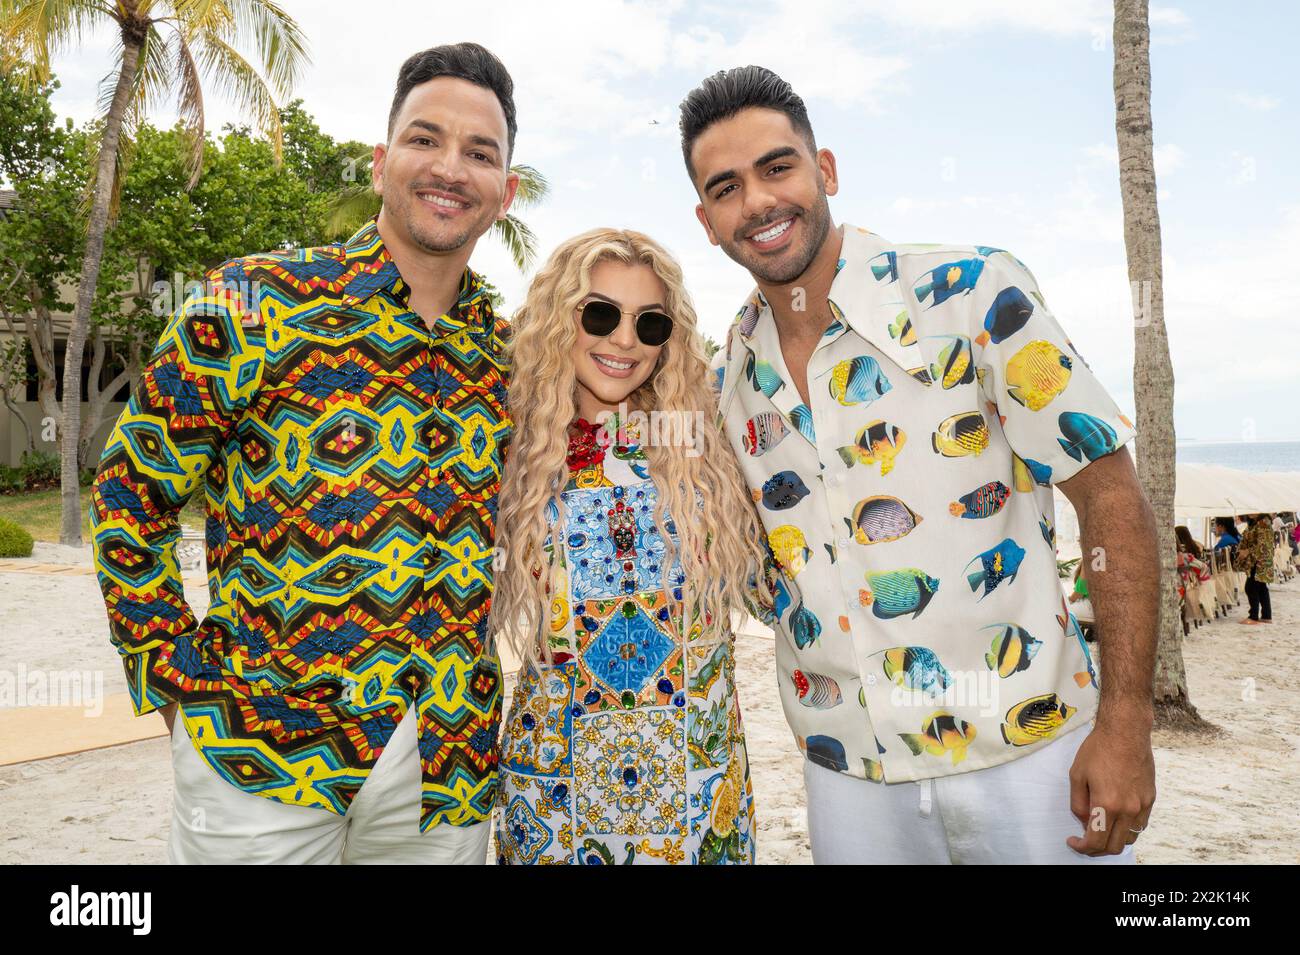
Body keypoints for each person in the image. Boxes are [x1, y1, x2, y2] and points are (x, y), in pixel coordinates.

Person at [680, 66, 1159, 863]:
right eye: (727, 187)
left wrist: (1126, 722)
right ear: (706, 219)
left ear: (824, 169)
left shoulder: (972, 295)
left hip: (1031, 756)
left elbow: (1110, 497)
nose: (758, 202)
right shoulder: (729, 372)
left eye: (777, 167)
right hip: (850, 780)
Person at [89, 42, 521, 864]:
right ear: (380, 161)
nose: (451, 167)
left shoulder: (508, 356)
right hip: (259, 760)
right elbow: (128, 497)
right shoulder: (253, 300)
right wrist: (177, 683)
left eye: (481, 152)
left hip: (449, 770)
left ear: (503, 191)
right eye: (426, 139)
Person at [489, 228, 767, 864]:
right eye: (600, 313)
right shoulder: (505, 441)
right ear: (560, 319)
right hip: (553, 790)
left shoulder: (708, 440)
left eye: (650, 324)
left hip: (700, 780)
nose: (623, 340)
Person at [1237, 514, 1274, 624]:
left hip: (1260, 560)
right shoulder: (1255, 522)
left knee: (1251, 587)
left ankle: (1253, 617)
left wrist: (1247, 551)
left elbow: (1263, 543)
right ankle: (1266, 616)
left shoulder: (1264, 521)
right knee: (1261, 587)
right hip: (1257, 560)